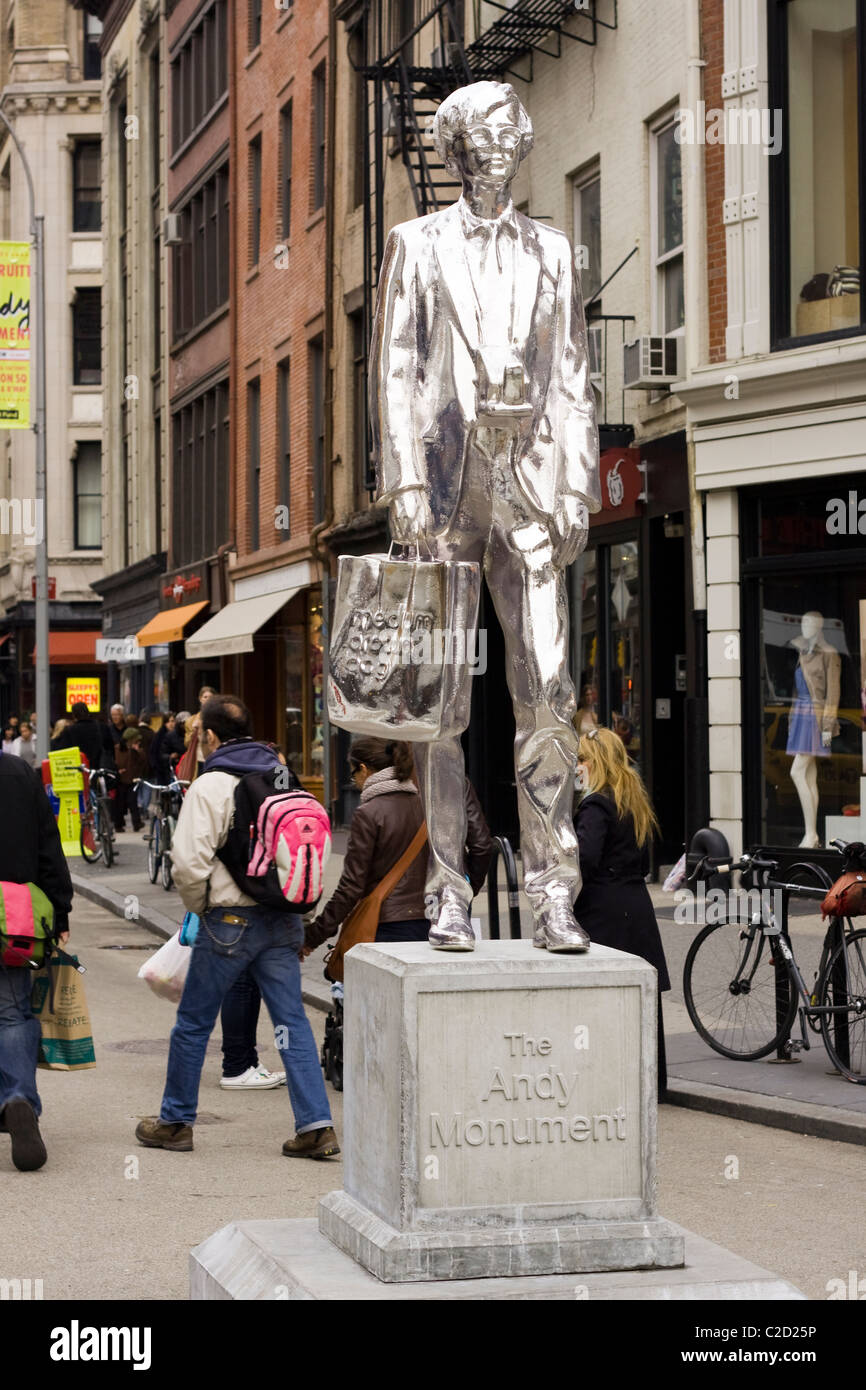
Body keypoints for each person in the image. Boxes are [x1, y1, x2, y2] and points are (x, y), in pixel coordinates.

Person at [369, 80, 600, 953]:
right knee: (443, 706)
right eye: (479, 132)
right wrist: (403, 483)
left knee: (547, 694)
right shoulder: (414, 245)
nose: (497, 143)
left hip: (533, 495)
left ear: (524, 139)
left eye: (508, 129)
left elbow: (575, 375)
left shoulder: (554, 250)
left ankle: (552, 889)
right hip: (444, 494)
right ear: (455, 147)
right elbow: (395, 369)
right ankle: (450, 888)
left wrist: (577, 484)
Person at [135, 694, 338, 1158]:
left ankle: (175, 1122)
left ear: (208, 735)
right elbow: (309, 852)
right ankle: (315, 1127)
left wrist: (201, 905)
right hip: (284, 919)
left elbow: (188, 863)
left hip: (228, 920)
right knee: (292, 1024)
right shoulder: (286, 778)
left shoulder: (211, 785)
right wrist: (301, 914)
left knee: (193, 1023)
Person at [305, 738, 493, 952]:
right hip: (448, 914)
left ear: (364, 769)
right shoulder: (453, 784)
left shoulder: (370, 812)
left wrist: (313, 937)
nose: (355, 781)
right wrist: (463, 894)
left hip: (392, 923)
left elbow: (351, 887)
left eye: (353, 773)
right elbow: (482, 847)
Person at [574, 726, 670, 1097]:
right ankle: (651, 1081)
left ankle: (610, 1081)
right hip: (636, 907)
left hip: (604, 910)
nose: (577, 766)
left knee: (605, 996)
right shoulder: (632, 798)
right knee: (641, 995)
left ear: (594, 761)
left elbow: (586, 857)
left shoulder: (596, 803)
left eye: (581, 758)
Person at [0, 749, 74, 1169]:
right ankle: (17, 1098)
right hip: (15, 915)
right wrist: (59, 909)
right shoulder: (19, 774)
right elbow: (49, 843)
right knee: (11, 1015)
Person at [50, 701, 115, 772]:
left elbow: (61, 751)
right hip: (99, 770)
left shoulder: (69, 731)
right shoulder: (102, 727)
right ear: (88, 712)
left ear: (74, 715)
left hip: (79, 770)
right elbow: (110, 748)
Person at [115, 729, 146, 831]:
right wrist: (117, 770)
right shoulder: (118, 748)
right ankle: (118, 824)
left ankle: (136, 823)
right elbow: (117, 761)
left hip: (132, 779)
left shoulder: (135, 750)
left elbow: (142, 762)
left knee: (132, 802)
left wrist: (138, 751)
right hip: (121, 779)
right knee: (120, 802)